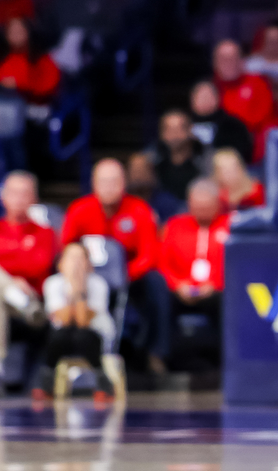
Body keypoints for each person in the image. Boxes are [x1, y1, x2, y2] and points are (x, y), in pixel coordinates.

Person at [60, 157, 169, 373]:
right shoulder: (80, 209)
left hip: (129, 276)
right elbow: (66, 249)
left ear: (124, 183)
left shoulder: (139, 210)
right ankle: (61, 354)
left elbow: (149, 255)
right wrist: (82, 275)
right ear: (94, 184)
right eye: (104, 181)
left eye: (115, 181)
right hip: (88, 278)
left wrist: (123, 275)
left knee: (157, 283)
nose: (109, 187)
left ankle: (157, 354)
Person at [39, 242, 120, 407]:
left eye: (80, 258)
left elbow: (83, 321)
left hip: (95, 334)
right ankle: (47, 380)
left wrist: (78, 288)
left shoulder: (98, 284)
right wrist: (73, 287)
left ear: (88, 263)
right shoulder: (52, 283)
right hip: (65, 335)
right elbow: (65, 319)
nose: (75, 263)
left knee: (82, 336)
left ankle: (102, 380)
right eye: (71, 257)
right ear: (61, 263)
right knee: (59, 335)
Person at [157, 179, 228, 365]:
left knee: (227, 301)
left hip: (216, 291)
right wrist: (177, 284)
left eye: (207, 207)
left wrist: (215, 285)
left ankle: (224, 360)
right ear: (189, 204)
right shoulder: (174, 226)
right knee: (160, 297)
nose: (202, 212)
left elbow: (238, 264)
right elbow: (162, 263)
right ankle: (164, 359)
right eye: (198, 207)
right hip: (180, 289)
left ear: (217, 204)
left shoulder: (231, 226)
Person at [0, 171, 50, 362]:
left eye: (25, 193)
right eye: (13, 193)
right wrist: (12, 281)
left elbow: (37, 266)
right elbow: (24, 263)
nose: (19, 199)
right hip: (19, 303)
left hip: (32, 297)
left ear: (34, 198)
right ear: (3, 197)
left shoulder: (45, 233)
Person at [211, 40, 275, 154]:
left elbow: (264, 122)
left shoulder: (258, 83)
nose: (228, 63)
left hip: (251, 149)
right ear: (215, 63)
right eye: (223, 59)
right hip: (217, 151)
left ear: (242, 61)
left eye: (233, 58)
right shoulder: (209, 88)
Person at [188, 80, 254, 165]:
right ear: (192, 99)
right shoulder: (182, 125)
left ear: (218, 98)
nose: (205, 99)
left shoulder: (234, 126)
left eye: (209, 95)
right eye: (201, 96)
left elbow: (243, 155)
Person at [0, 17, 61, 106]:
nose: (16, 35)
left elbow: (51, 84)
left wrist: (21, 85)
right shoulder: (4, 59)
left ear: (28, 32)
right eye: (11, 32)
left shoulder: (40, 59)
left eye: (20, 31)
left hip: (35, 108)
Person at [148, 109, 205, 205]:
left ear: (190, 131)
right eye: (168, 129)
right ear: (161, 134)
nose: (174, 135)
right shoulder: (151, 161)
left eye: (179, 129)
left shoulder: (205, 158)